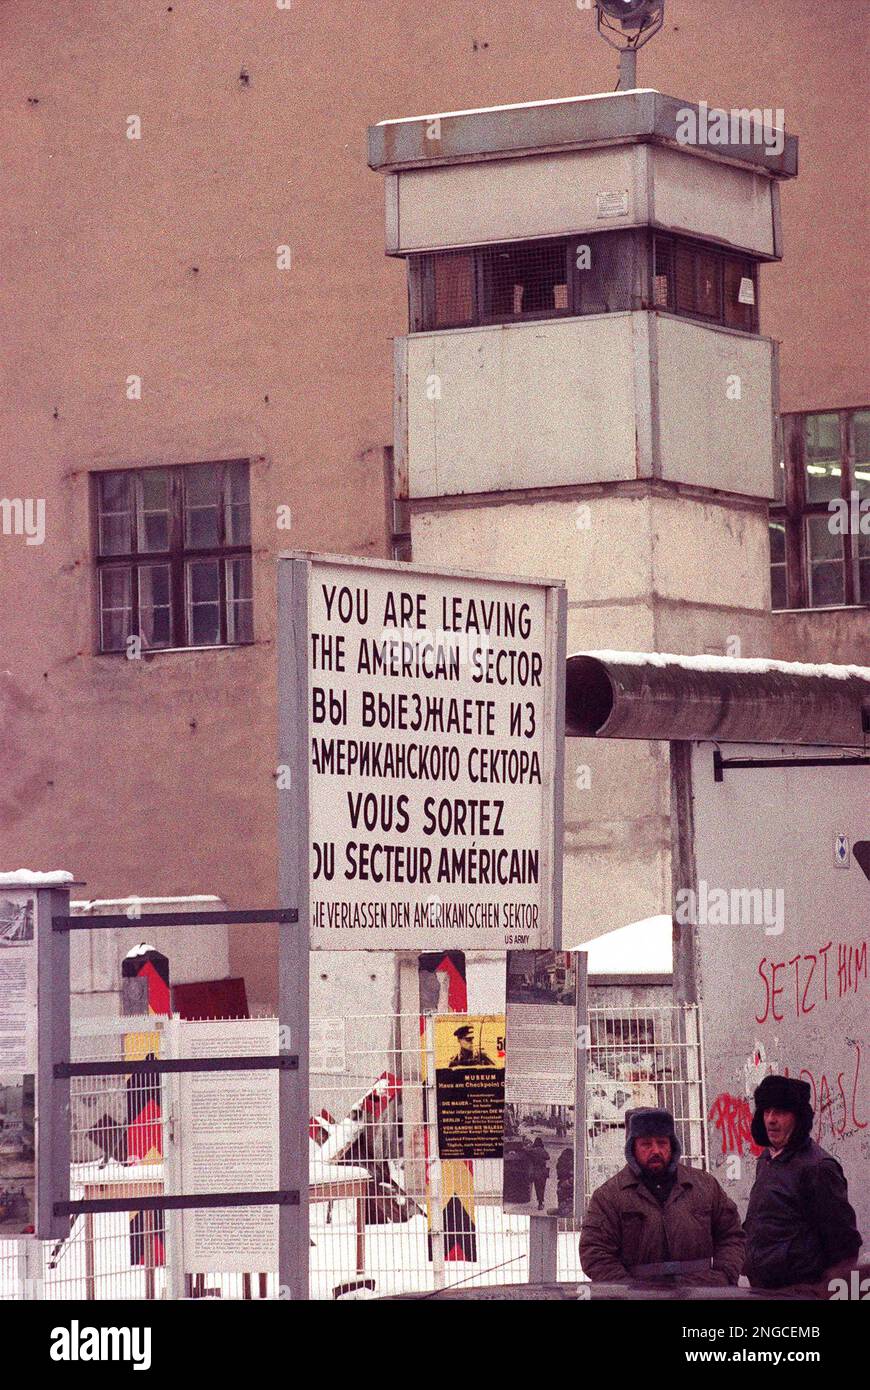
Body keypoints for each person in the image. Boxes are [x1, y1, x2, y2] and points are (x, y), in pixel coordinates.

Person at [579, 1107, 744, 1286]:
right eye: (646, 1144)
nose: (655, 1151)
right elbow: (595, 1252)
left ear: (672, 1145)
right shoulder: (609, 1196)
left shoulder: (704, 1186)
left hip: (700, 1293)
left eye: (662, 1143)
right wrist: (628, 1291)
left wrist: (723, 1275)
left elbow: (732, 1235)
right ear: (632, 1148)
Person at [743, 1075, 862, 1293]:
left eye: (780, 1112)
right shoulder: (767, 1160)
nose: (771, 1119)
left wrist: (827, 1291)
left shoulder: (817, 1168)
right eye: (766, 1111)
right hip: (764, 1289)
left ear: (798, 1118)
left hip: (801, 1290)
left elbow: (843, 1243)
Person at [529, 1137, 550, 1210]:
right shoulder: (543, 1151)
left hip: (536, 1171)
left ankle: (540, 1202)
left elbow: (527, 1153)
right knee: (542, 1187)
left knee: (537, 1187)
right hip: (543, 1171)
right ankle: (541, 1203)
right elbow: (548, 1157)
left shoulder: (532, 1151)